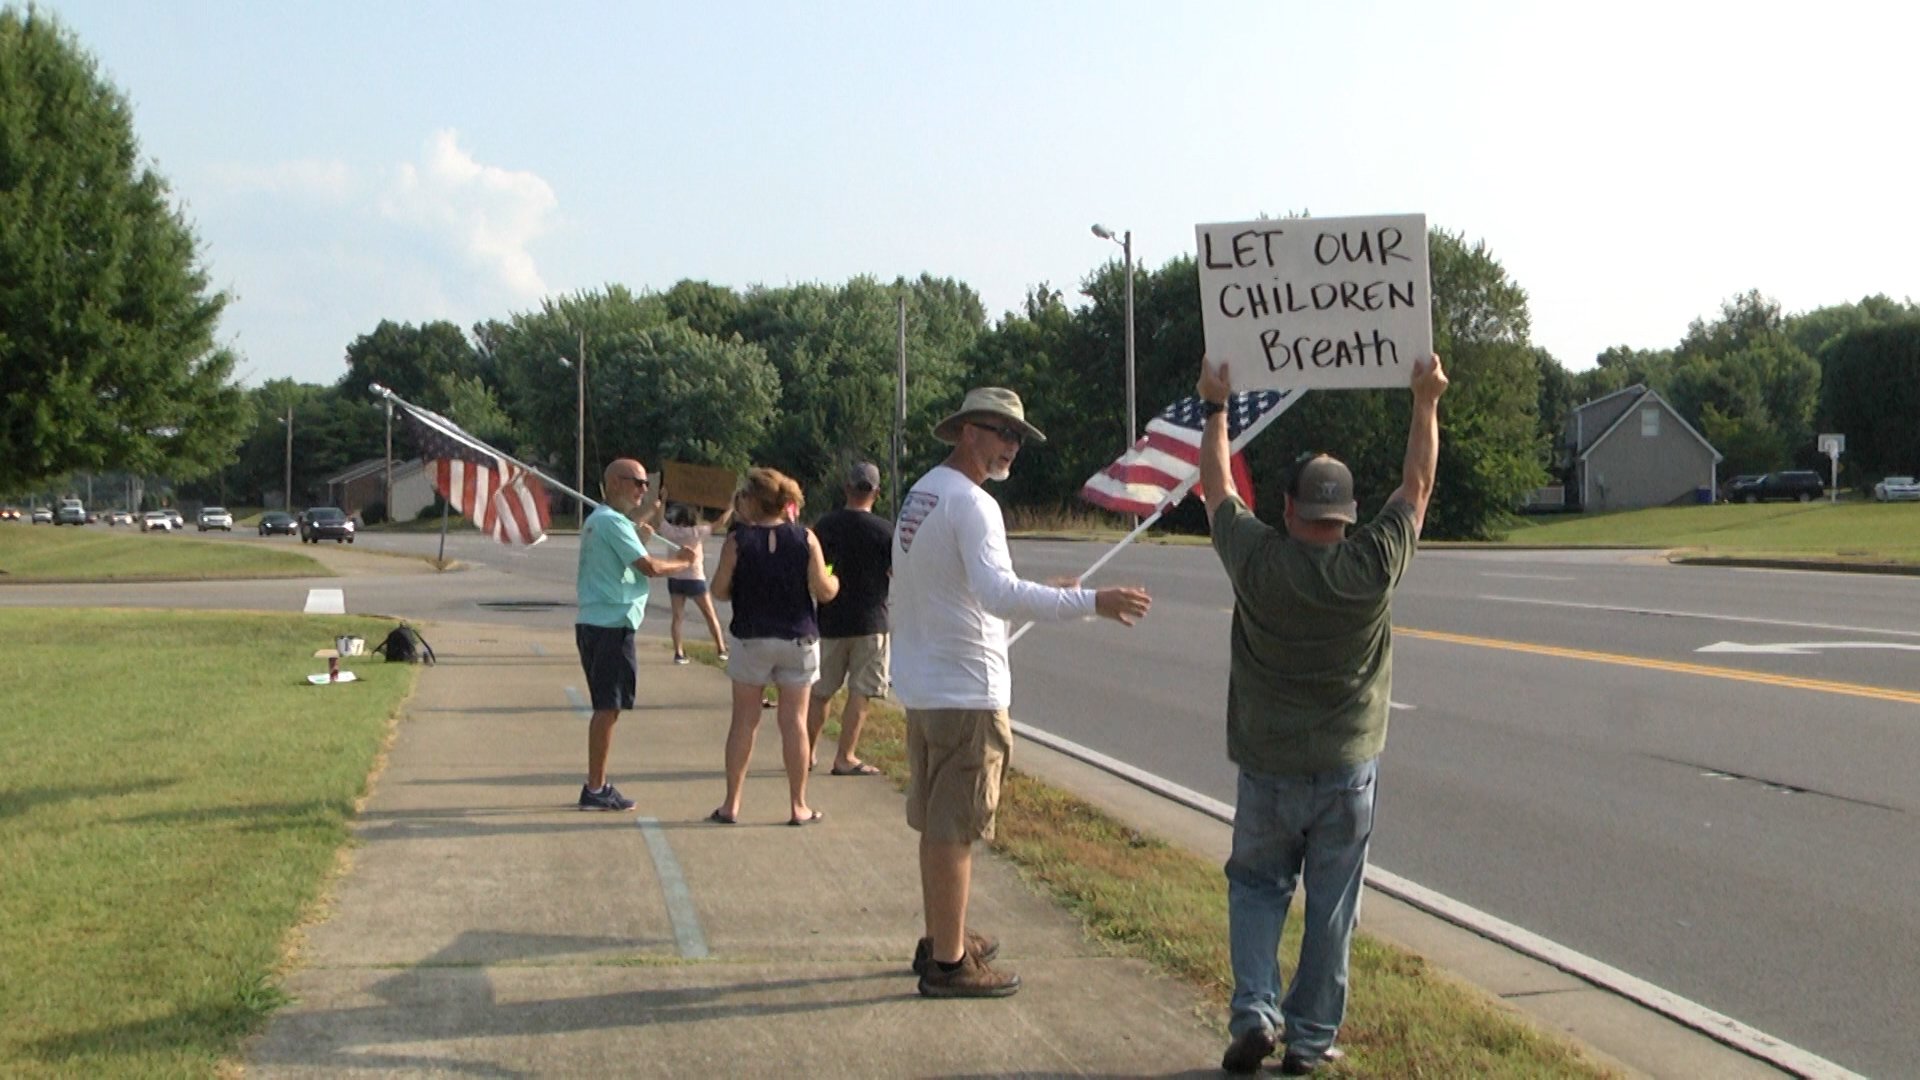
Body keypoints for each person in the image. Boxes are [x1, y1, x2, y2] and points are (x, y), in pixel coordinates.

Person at [1201, 352, 1448, 1075]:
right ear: (1347, 515)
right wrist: (1425, 401)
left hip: (1268, 764)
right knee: (1334, 905)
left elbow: (1215, 487)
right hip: (1347, 770)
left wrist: (1216, 405)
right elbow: (1418, 485)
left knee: (1255, 885)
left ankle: (1254, 1009)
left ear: (1286, 508)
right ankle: (1308, 1040)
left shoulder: (1257, 560)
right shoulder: (1372, 567)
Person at [892, 387, 1152, 998]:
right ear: (966, 432)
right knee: (955, 830)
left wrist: (1043, 590)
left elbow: (958, 589)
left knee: (938, 824)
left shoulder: (922, 493)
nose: (1011, 445)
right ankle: (950, 964)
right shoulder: (974, 504)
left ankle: (942, 936)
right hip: (968, 694)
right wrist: (1093, 601)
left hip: (928, 685)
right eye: (999, 431)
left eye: (1017, 436)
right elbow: (997, 595)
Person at [709, 467, 840, 826]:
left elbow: (718, 590)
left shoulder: (737, 541)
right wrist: (835, 581)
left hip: (752, 637)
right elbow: (823, 590)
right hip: (797, 638)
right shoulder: (806, 539)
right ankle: (798, 805)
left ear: (752, 501)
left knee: (744, 721)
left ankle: (731, 803)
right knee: (794, 722)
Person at [575, 458, 697, 811]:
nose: (643, 490)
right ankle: (595, 788)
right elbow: (650, 567)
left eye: (645, 483)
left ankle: (597, 785)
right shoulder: (610, 521)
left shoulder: (607, 521)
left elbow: (629, 559)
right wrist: (684, 562)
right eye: (637, 482)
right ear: (614, 482)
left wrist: (640, 536)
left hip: (601, 620)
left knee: (609, 706)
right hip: (610, 623)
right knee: (608, 706)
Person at [806, 461, 892, 776]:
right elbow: (896, 571)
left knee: (821, 690)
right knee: (861, 691)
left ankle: (808, 751)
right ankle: (845, 756)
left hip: (830, 619)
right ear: (876, 493)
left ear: (847, 488)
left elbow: (813, 569)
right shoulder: (884, 531)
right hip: (871, 621)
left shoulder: (825, 526)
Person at [655, 496, 733, 664]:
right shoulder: (696, 532)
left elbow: (659, 518)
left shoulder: (671, 532)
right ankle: (721, 648)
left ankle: (679, 652)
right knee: (710, 615)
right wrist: (730, 508)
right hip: (694, 578)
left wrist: (663, 499)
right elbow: (719, 523)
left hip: (675, 577)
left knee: (677, 617)